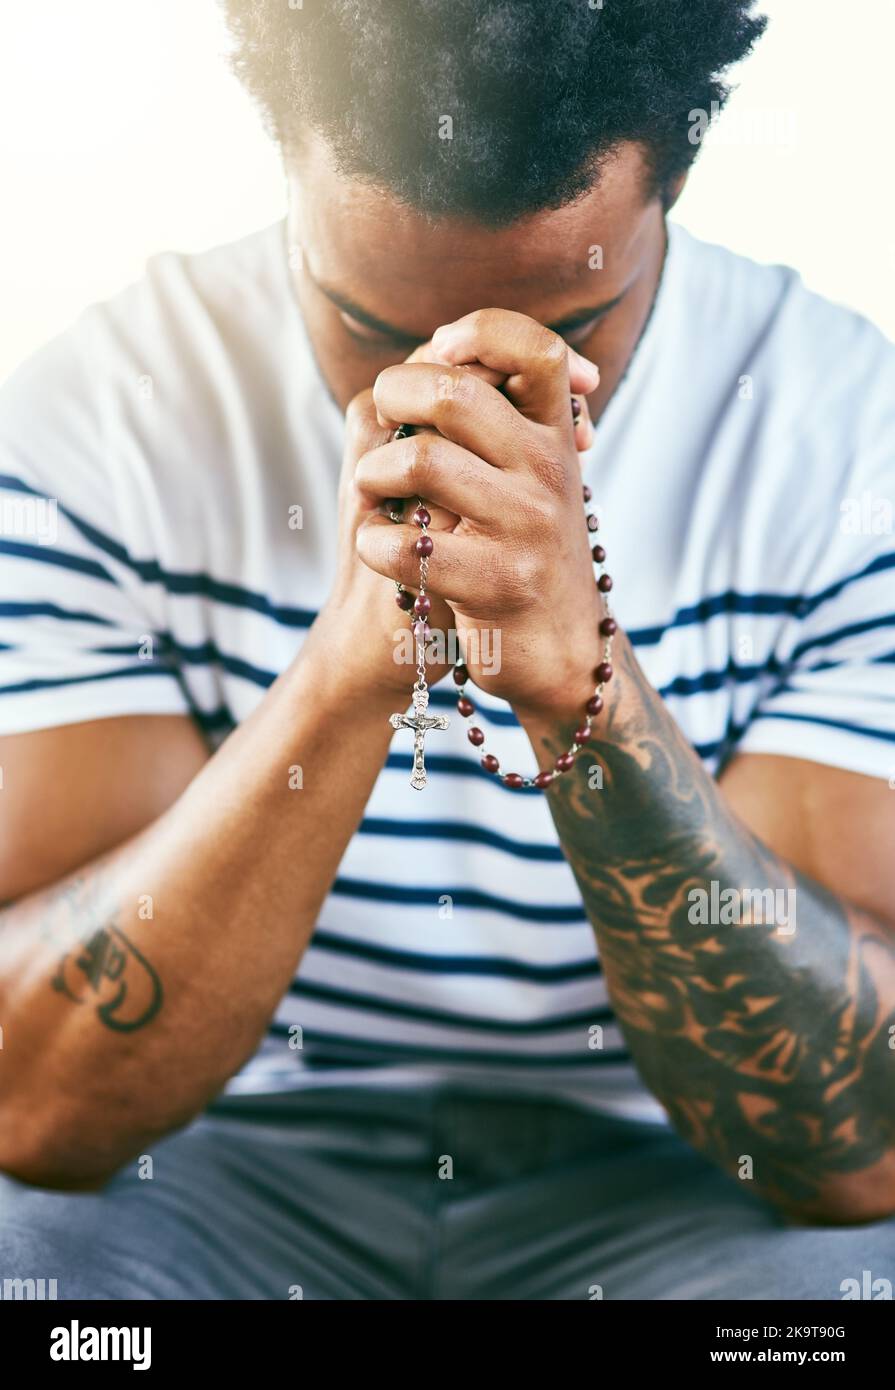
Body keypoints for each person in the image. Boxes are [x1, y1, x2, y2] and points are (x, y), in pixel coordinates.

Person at [0, 0, 893, 1301]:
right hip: (219, 1179)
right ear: (288, 162)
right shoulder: (105, 418)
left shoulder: (848, 446)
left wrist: (583, 689)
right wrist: (355, 667)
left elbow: (854, 1151)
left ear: (675, 184)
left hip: (677, 1197)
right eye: (369, 321)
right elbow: (37, 1112)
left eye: (567, 336)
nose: (450, 397)